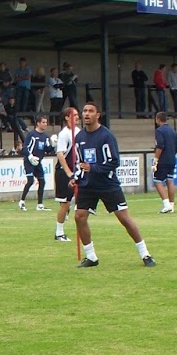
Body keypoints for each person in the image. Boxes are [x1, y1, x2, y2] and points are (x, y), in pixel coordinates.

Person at [71, 101, 155, 269]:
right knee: (79, 217)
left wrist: (93, 168)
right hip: (88, 185)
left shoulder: (106, 136)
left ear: (98, 115)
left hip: (107, 184)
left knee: (124, 218)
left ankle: (145, 254)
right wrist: (76, 176)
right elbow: (81, 163)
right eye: (84, 111)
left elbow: (114, 162)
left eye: (90, 111)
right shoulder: (79, 137)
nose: (86, 114)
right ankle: (91, 257)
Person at [51, 105, 80, 242]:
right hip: (64, 172)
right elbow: (60, 154)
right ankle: (59, 232)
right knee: (65, 203)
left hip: (77, 170)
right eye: (74, 115)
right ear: (67, 117)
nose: (77, 118)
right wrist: (69, 172)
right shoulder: (64, 134)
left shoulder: (79, 132)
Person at [19, 113, 52, 211]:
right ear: (38, 123)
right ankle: (22, 201)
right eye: (43, 122)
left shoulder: (45, 136)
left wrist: (53, 145)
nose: (45, 124)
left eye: (46, 122)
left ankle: (40, 204)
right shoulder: (32, 135)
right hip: (29, 161)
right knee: (30, 181)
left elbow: (48, 149)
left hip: (38, 162)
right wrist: (30, 156)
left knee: (42, 181)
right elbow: (25, 147)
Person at [151, 112, 177, 213]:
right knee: (170, 181)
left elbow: (160, 146)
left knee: (157, 181)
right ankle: (172, 206)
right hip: (172, 159)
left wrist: (156, 161)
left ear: (158, 119)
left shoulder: (159, 131)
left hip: (163, 160)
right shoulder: (172, 131)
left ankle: (166, 205)